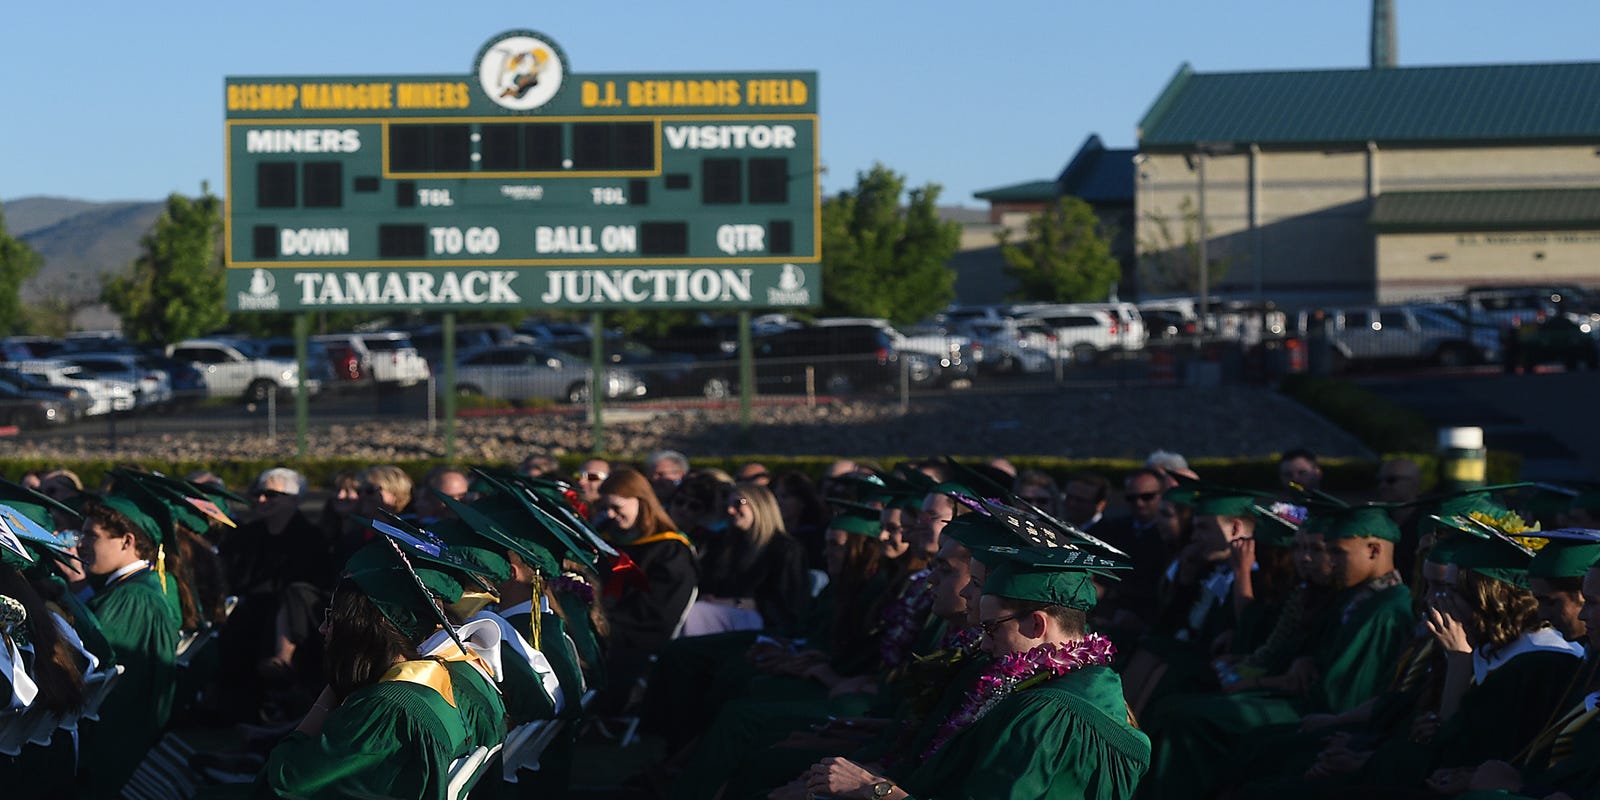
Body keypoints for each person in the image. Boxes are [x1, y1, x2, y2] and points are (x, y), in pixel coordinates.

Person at [806, 534, 1150, 800]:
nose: (983, 644)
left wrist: (873, 789)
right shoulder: (1073, 685)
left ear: (1036, 625)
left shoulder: (1049, 716)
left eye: (991, 628)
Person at [258, 541, 500, 799]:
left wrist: (328, 696)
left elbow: (282, 783)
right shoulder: (447, 678)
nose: (323, 629)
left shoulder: (387, 709)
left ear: (373, 624)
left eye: (334, 618)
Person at [76, 495, 182, 796]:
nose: (80, 544)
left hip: (106, 746)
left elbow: (95, 672)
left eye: (91, 536)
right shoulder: (138, 587)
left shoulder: (132, 599)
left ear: (127, 541)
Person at [595, 467, 698, 710]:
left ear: (641, 501)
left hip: (635, 634)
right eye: (605, 508)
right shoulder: (605, 537)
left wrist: (602, 622)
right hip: (602, 622)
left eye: (617, 508)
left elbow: (658, 611)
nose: (610, 514)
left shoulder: (670, 549)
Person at [682, 485, 808, 637]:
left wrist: (741, 603)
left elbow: (789, 600)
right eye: (728, 505)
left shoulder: (785, 549)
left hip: (762, 620)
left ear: (760, 505)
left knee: (696, 614)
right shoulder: (721, 544)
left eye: (738, 503)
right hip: (716, 612)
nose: (730, 510)